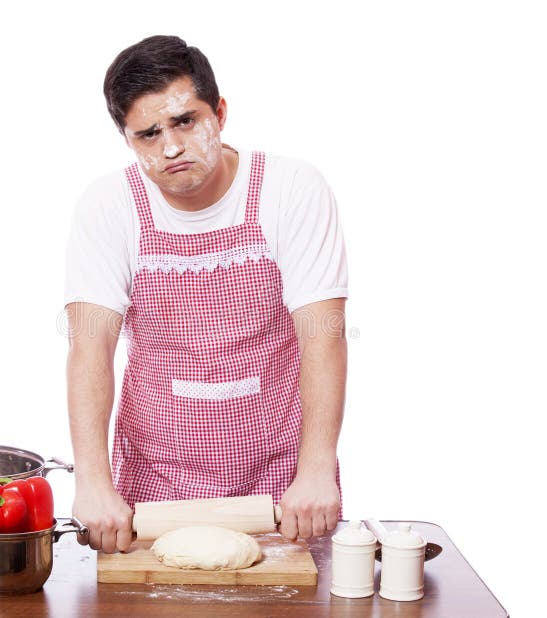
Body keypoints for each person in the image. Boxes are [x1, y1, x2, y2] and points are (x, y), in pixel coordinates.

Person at [65, 35, 348, 554]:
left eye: (185, 121)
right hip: (154, 485)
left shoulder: (291, 189)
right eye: (148, 134)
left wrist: (316, 471)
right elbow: (90, 347)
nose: (170, 148)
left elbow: (322, 337)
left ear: (219, 112)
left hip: (280, 481)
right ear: (128, 139)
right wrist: (92, 482)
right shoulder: (108, 206)